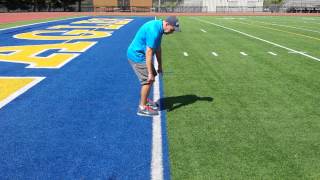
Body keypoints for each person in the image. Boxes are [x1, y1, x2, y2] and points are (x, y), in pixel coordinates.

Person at [127, 16, 179, 117]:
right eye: (172, 30)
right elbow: (149, 52)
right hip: (137, 55)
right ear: (167, 24)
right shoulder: (154, 31)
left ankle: (145, 100)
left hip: (141, 54)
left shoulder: (159, 28)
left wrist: (160, 66)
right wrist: (150, 73)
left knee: (152, 76)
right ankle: (142, 108)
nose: (172, 32)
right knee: (148, 80)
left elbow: (158, 49)